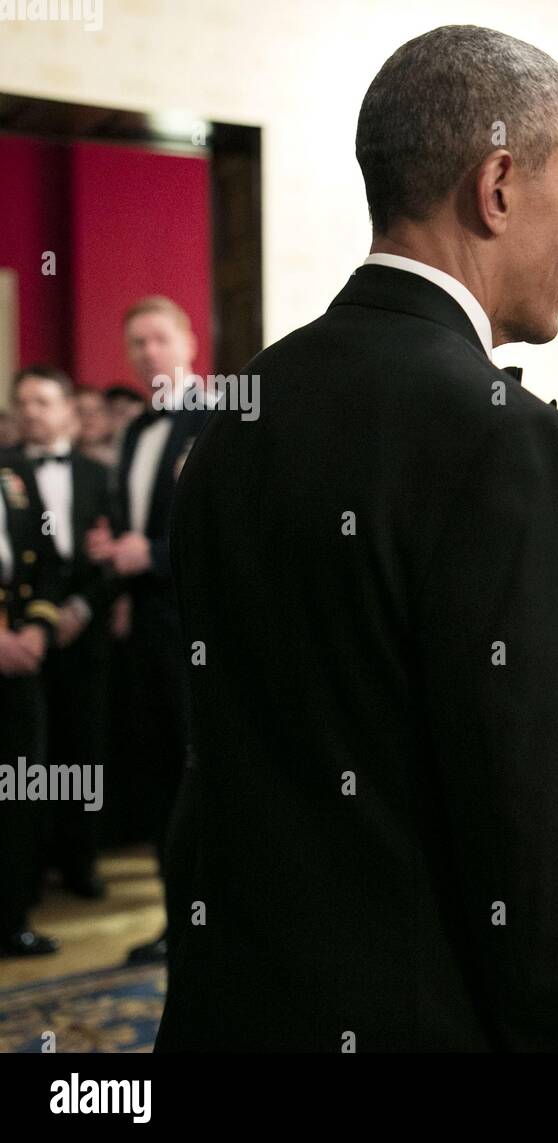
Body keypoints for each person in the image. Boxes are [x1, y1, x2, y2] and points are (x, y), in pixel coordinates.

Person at [155, 25, 558, 1052]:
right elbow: (536, 831)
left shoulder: (240, 410)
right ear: (498, 185)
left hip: (226, 1008)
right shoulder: (510, 442)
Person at [85, 296, 209, 965]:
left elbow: (229, 529)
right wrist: (118, 557)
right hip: (144, 630)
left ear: (188, 339)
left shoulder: (222, 412)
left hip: (198, 631)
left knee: (202, 778)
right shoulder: (133, 431)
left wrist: (152, 554)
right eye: (136, 342)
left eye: (159, 338)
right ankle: (174, 922)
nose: (147, 352)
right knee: (161, 780)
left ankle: (212, 921)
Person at [15, 366, 114, 901]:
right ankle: (25, 873)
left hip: (86, 631)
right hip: (21, 637)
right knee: (28, 759)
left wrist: (82, 607)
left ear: (67, 411)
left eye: (43, 401)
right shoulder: (3, 470)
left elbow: (111, 554)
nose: (32, 411)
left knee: (84, 751)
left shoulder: (97, 474)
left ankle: (81, 861)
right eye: (23, 401)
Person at [0, 446, 63, 956]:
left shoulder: (14, 470)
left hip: (19, 660)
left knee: (20, 790)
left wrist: (40, 628)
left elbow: (47, 560)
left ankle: (13, 917)